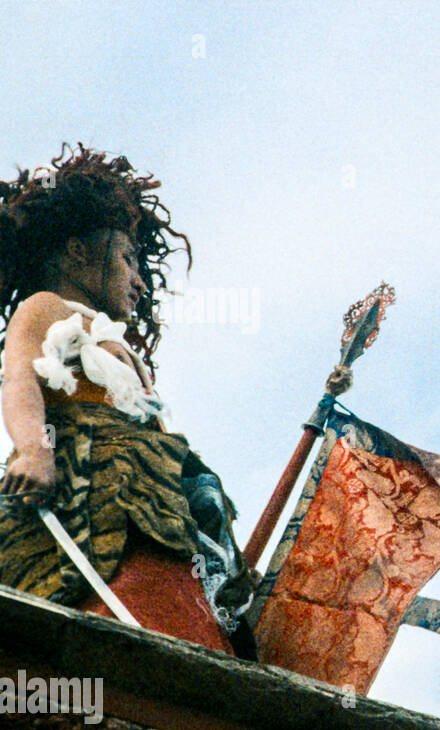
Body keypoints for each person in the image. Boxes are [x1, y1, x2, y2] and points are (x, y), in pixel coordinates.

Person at [0, 143, 254, 656]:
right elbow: (19, 378)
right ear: (77, 253)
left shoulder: (120, 345)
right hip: (83, 477)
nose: (139, 280)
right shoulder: (46, 307)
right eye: (127, 259)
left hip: (152, 485)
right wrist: (32, 450)